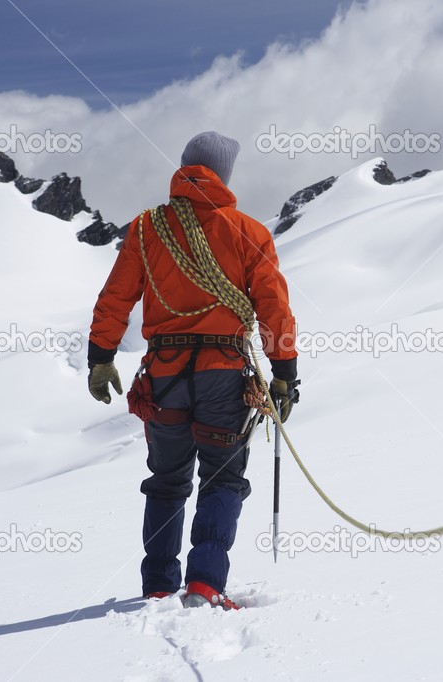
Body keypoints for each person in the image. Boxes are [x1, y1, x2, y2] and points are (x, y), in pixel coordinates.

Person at [86, 131, 299, 609]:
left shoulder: (146, 229)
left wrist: (100, 358)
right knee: (222, 478)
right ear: (224, 175)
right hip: (224, 372)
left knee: (167, 480)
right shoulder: (249, 232)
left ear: (184, 168)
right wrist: (284, 370)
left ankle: (159, 585)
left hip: (163, 373)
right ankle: (205, 585)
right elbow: (273, 306)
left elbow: (116, 297)